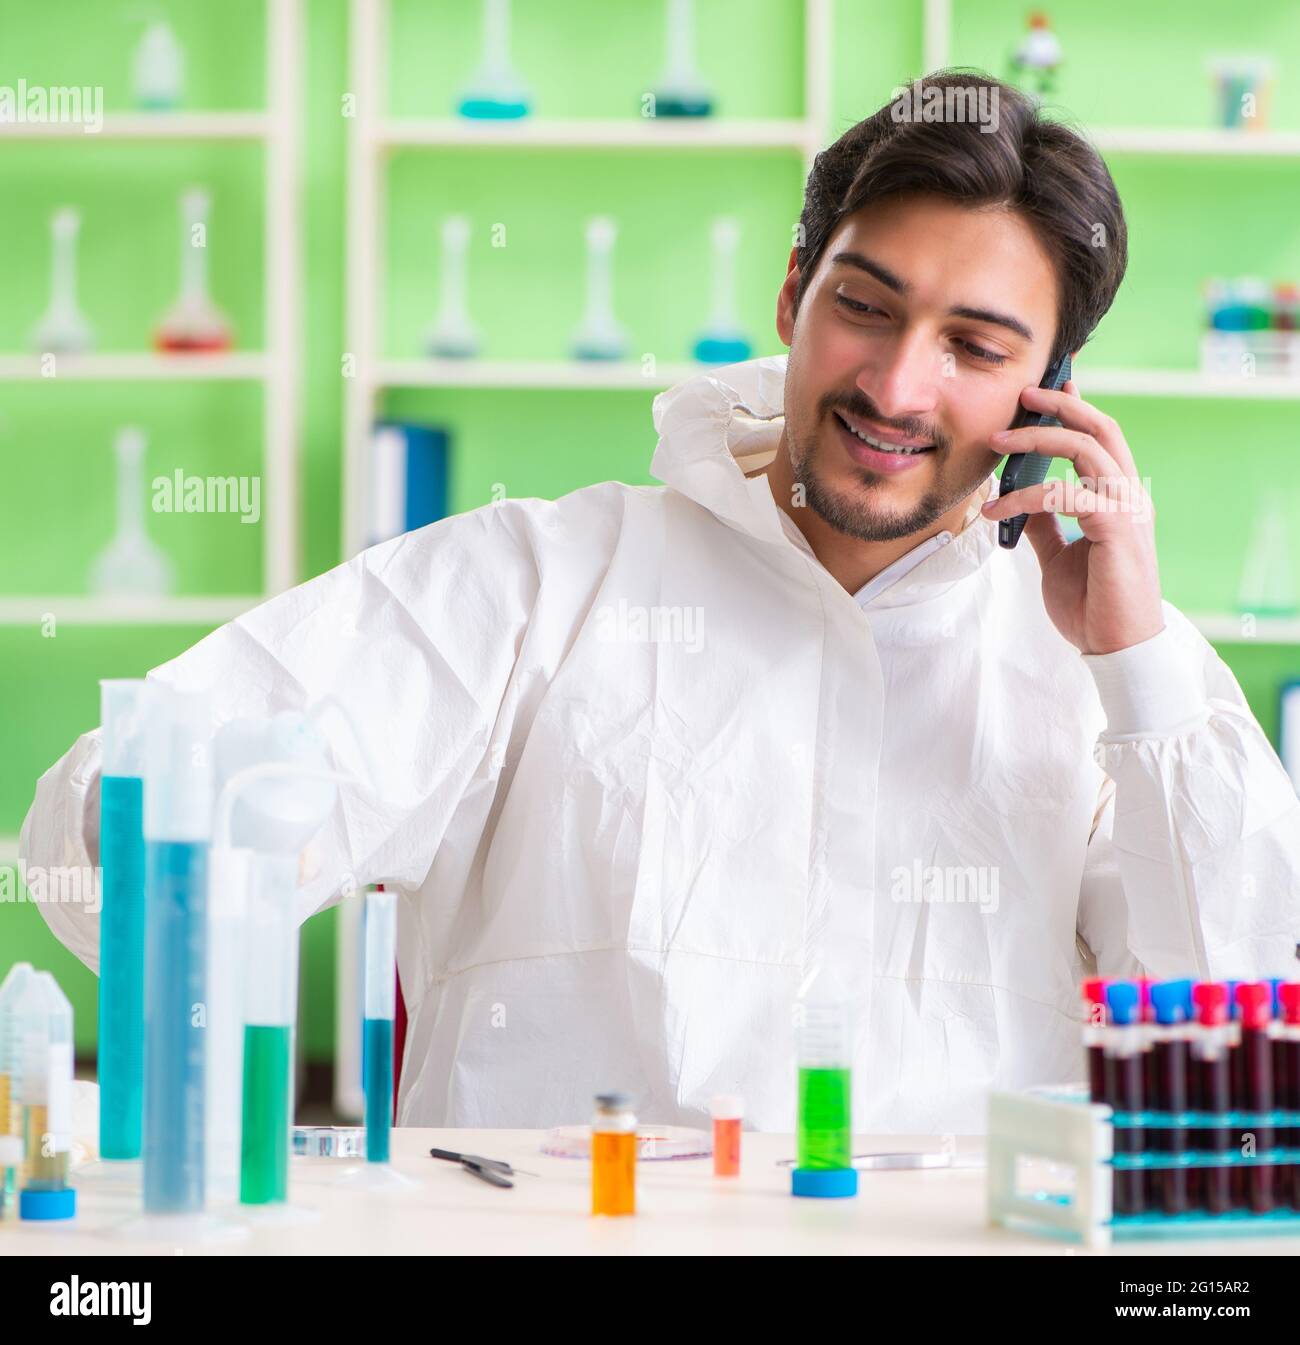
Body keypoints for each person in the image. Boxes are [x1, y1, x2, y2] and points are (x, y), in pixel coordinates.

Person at [22, 74, 1300, 1133]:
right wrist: (221, 828)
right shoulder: (531, 585)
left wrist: (1133, 661)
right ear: (794, 294)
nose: (899, 386)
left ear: (1050, 391)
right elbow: (96, 851)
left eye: (974, 345)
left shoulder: (1114, 679)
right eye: (865, 306)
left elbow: (1232, 1045)